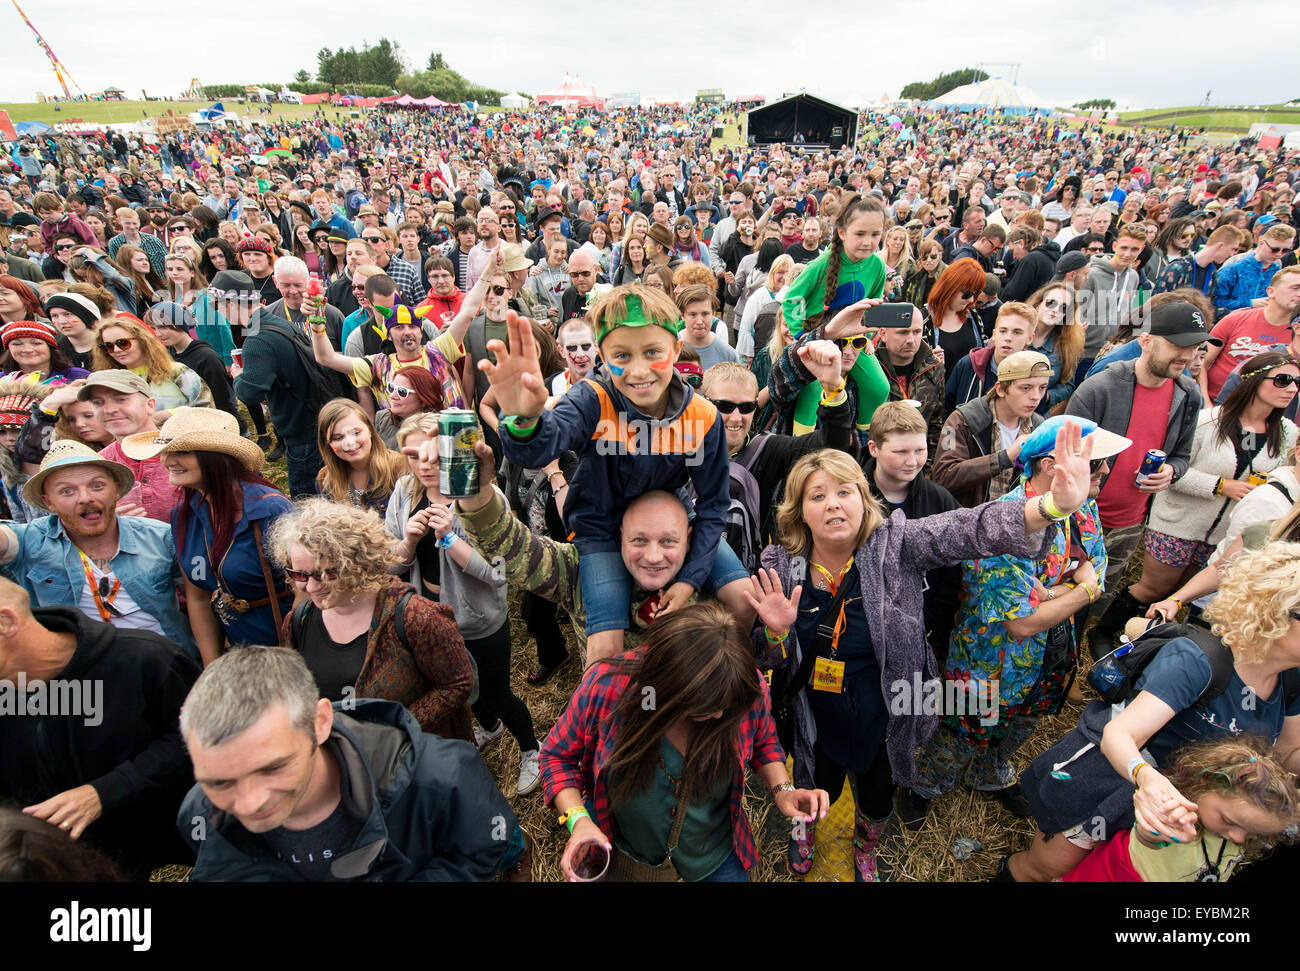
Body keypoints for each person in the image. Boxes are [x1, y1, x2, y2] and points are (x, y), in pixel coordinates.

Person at [747, 420, 1097, 880]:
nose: (833, 504)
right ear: (799, 511)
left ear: (862, 499)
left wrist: (1050, 506)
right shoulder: (780, 567)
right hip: (817, 714)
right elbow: (765, 659)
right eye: (817, 496)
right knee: (813, 782)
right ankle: (804, 834)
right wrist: (774, 634)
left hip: (887, 710)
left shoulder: (897, 544)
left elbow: (969, 528)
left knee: (876, 795)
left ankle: (866, 848)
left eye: (844, 492)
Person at [485, 284, 753, 662]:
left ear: (676, 350)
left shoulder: (702, 415)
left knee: (743, 601)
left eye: (653, 352)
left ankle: (730, 688)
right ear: (602, 355)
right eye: (622, 355)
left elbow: (714, 504)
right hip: (601, 527)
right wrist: (523, 420)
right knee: (604, 649)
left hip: (668, 514)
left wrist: (691, 578)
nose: (639, 370)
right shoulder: (593, 397)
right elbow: (540, 448)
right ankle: (610, 717)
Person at [1008, 542, 1300, 882]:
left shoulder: (1291, 679)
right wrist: (1147, 780)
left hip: (1181, 812)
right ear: (1273, 612)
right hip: (1116, 785)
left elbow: (1288, 757)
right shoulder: (1197, 662)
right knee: (1048, 868)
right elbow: (1120, 734)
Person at [904, 418, 1127, 825]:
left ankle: (990, 776)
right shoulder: (1001, 524)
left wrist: (1052, 592)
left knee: (1022, 723)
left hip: (1051, 655)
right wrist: (1084, 589)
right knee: (964, 729)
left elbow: (1099, 561)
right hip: (988, 664)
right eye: (1096, 463)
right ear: (1049, 466)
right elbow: (1022, 624)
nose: (1106, 471)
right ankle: (927, 785)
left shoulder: (1085, 505)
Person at [178, 646, 522, 882]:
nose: (250, 804)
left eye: (273, 767)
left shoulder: (440, 779)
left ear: (319, 722)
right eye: (220, 782)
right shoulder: (200, 813)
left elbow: (485, 845)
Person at [544, 603, 829, 882]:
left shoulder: (743, 686)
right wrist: (578, 820)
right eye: (704, 708)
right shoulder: (608, 687)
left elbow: (764, 740)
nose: (720, 714)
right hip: (626, 855)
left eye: (725, 707)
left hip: (715, 856)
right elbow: (556, 756)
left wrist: (783, 790)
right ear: (667, 684)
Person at [0, 575, 200, 881]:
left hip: (165, 851)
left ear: (5, 623)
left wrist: (104, 792)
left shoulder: (145, 659)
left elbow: (197, 739)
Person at [386, 412, 540, 794]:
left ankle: (532, 750)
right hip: (432, 617)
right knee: (458, 687)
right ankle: (489, 727)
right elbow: (391, 561)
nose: (424, 466)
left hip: (480, 619)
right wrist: (407, 542)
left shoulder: (482, 498)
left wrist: (450, 539)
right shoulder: (405, 494)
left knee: (495, 692)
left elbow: (500, 572)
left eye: (434, 455)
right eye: (414, 456)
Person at [1067, 302, 1211, 655]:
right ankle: (1055, 664)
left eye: (1195, 347)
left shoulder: (1187, 393)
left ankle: (1074, 660)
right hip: (1081, 519)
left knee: (1100, 593)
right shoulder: (1100, 388)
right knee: (1066, 595)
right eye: (1178, 345)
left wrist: (1171, 472)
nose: (1189, 355)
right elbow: (1064, 455)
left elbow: (1181, 455)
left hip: (1131, 522)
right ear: (1145, 341)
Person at [268, 498, 475, 742]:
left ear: (358, 564)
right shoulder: (298, 621)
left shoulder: (417, 618)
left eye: (326, 574)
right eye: (299, 574)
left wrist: (393, 732)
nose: (311, 587)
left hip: (413, 759)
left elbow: (457, 683)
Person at [123, 408, 293, 664]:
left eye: (182, 452)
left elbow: (307, 589)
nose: (168, 461)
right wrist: (212, 666)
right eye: (166, 451)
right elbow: (198, 597)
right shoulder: (184, 515)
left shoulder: (269, 509)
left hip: (289, 650)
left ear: (215, 458)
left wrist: (296, 654)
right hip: (239, 657)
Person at [1130, 351, 1299, 608]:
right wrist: (1221, 486)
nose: (1291, 388)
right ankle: (1107, 632)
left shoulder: (1288, 434)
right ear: (1253, 379)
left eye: (1298, 382)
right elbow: (1171, 471)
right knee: (1153, 589)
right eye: (1282, 379)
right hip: (1178, 523)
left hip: (1224, 534)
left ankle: (1149, 637)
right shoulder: (1206, 421)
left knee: (1185, 592)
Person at [0, 435, 194, 649]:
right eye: (67, 491)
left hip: (165, 662)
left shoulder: (160, 537)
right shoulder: (31, 540)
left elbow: (198, 602)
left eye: (97, 486)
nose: (85, 498)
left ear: (117, 489)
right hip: (82, 670)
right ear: (48, 502)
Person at [1060, 736, 1298, 882]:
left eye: (1253, 835)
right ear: (1205, 784)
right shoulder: (1173, 811)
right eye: (1228, 820)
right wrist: (1156, 828)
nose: (1238, 837)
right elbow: (1149, 836)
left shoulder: (1232, 827)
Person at [781, 193, 891, 440]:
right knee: (811, 390)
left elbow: (872, 305)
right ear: (842, 232)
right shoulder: (821, 264)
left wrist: (869, 338)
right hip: (819, 337)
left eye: (875, 235)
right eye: (860, 234)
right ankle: (799, 444)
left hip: (853, 341)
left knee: (879, 387)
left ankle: (865, 441)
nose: (868, 241)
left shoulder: (877, 266)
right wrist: (802, 336)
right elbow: (792, 298)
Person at [224, 272, 323, 497]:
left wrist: (239, 375)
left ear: (229, 303)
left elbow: (250, 392)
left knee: (306, 498)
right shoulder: (276, 322)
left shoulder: (257, 339)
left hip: (300, 431)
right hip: (312, 419)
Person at [934, 350, 1051, 507]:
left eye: (1042, 388)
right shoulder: (963, 420)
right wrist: (1005, 458)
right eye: (1026, 388)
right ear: (1000, 389)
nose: (1036, 396)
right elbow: (943, 477)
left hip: (1015, 523)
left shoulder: (1039, 427)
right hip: (968, 522)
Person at [1199, 264, 1300, 402]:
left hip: (1261, 409)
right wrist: (1205, 402)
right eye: (1295, 288)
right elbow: (1202, 362)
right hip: (1217, 402)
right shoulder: (1236, 318)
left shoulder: (1297, 333)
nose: (1299, 294)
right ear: (1271, 291)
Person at [90, 313, 212, 419]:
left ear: (143, 341)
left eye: (123, 343)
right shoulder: (109, 382)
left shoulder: (175, 371)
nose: (116, 350)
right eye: (108, 346)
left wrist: (165, 415)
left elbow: (207, 408)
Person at [145, 302, 240, 430]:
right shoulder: (166, 354)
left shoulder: (206, 357)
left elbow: (221, 401)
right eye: (154, 328)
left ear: (178, 324)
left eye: (162, 327)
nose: (158, 334)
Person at [315, 398, 405, 516]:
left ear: (370, 429)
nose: (349, 443)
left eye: (356, 433)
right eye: (338, 438)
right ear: (327, 442)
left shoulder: (399, 468)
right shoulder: (325, 479)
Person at [944, 300, 1035, 412]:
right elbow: (945, 407)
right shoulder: (969, 364)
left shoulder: (1034, 375)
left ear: (1030, 338)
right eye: (1003, 331)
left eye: (1017, 332)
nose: (1008, 338)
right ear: (994, 334)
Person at [1025, 282, 1086, 413]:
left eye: (1064, 308)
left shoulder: (1067, 346)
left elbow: (1067, 385)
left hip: (1037, 414)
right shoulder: (1018, 332)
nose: (1055, 310)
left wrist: (1047, 396)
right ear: (1038, 305)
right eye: (1050, 303)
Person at [1213, 223, 1295, 320]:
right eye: (1274, 249)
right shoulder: (1234, 267)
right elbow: (1215, 303)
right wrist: (1250, 303)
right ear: (1261, 243)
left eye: (1285, 250)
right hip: (1232, 324)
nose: (1279, 254)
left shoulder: (1278, 272)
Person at [0, 319, 89, 387]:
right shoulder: (2, 380)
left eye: (36, 343)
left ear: (50, 347)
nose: (27, 349)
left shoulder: (78, 376)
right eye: (17, 344)